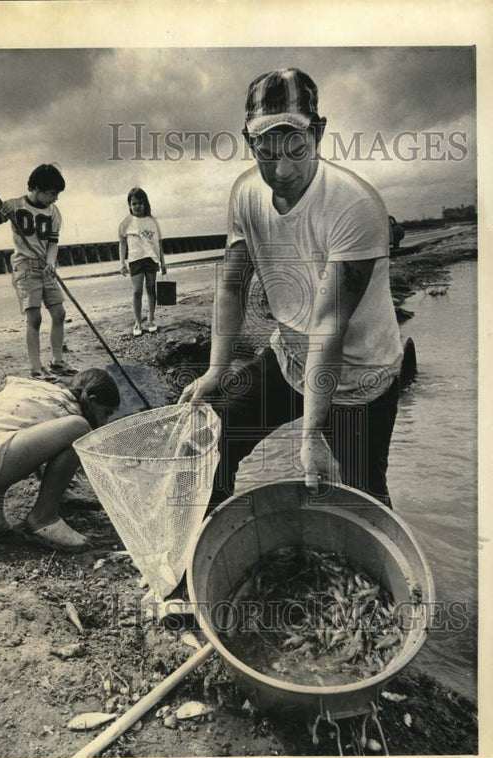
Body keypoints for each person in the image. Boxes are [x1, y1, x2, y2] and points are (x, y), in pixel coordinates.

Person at [179, 67, 403, 509]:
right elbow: (231, 285)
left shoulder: (353, 204)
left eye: (295, 148)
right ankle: (206, 553)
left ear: (317, 133)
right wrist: (216, 368)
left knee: (362, 500)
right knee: (213, 445)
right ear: (249, 142)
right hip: (290, 358)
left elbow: (329, 324)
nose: (281, 171)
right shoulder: (245, 195)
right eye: (265, 151)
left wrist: (313, 434)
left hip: (361, 378)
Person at [0, 368, 120, 551]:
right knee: (79, 428)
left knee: (6, 434)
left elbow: (37, 442)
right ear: (92, 401)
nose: (105, 422)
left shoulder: (45, 391)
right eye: (106, 413)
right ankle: (43, 518)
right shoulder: (70, 412)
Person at [0, 163, 76, 382]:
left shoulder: (54, 212)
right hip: (24, 265)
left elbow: (53, 243)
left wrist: (52, 263)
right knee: (34, 317)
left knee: (59, 313)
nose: (56, 198)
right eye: (52, 193)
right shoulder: (14, 206)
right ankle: (36, 369)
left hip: (46, 266)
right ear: (37, 188)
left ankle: (58, 362)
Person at [118, 187, 167, 337]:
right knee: (137, 291)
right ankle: (138, 322)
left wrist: (163, 262)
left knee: (151, 288)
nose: (137, 206)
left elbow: (158, 243)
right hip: (135, 260)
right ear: (129, 205)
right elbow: (122, 243)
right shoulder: (126, 223)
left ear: (145, 203)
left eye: (140, 203)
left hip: (152, 259)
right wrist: (122, 263)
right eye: (134, 203)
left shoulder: (152, 221)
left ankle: (151, 319)